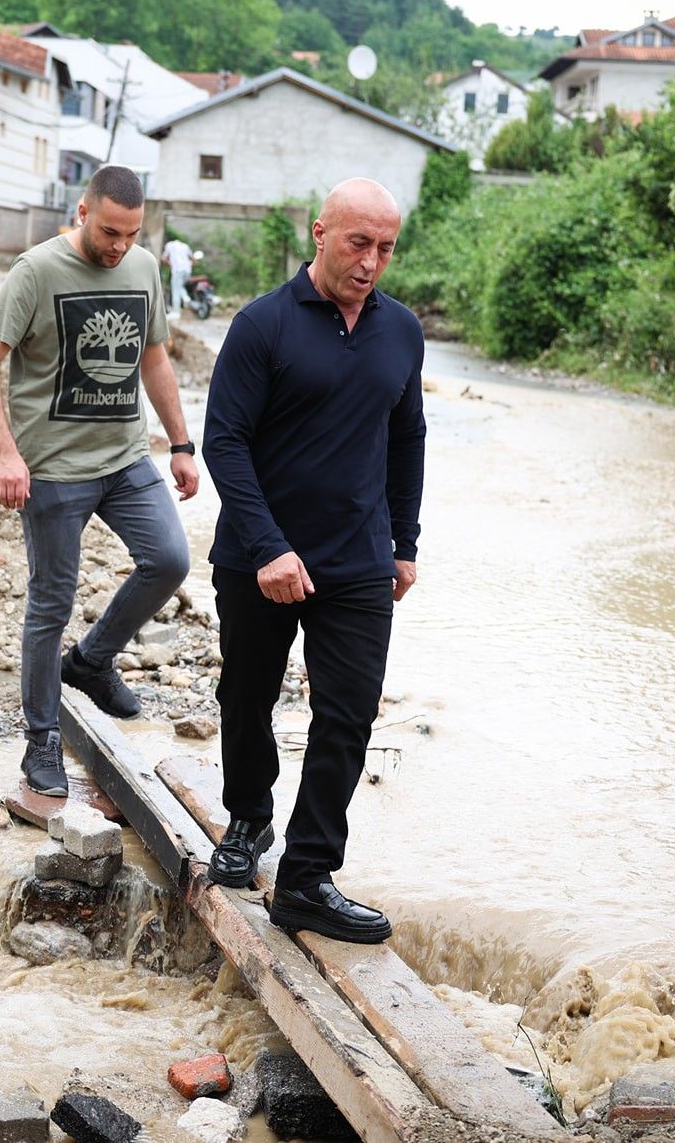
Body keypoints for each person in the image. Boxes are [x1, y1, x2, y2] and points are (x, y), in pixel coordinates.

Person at [200, 178, 425, 945]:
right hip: (258, 557)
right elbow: (225, 442)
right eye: (359, 243)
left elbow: (407, 438)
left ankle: (305, 877)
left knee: (350, 713)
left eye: (386, 249)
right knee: (247, 696)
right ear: (321, 234)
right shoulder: (262, 324)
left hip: (357, 558)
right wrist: (269, 547)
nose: (371, 262)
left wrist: (404, 544)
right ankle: (248, 819)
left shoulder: (402, 331)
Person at [0, 164, 199, 797]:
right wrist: (5, 453)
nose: (120, 245)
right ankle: (41, 738)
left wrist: (181, 444)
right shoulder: (36, 271)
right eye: (109, 232)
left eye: (132, 233)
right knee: (52, 602)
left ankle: (92, 661)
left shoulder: (143, 268)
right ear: (82, 212)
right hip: (53, 470)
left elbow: (154, 358)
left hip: (125, 459)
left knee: (170, 560)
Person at [163, 234, 194, 317]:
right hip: (187, 270)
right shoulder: (185, 246)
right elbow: (193, 259)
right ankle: (185, 297)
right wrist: (189, 265)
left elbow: (164, 258)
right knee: (180, 286)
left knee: (175, 290)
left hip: (177, 270)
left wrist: (170, 264)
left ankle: (176, 312)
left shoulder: (169, 245)